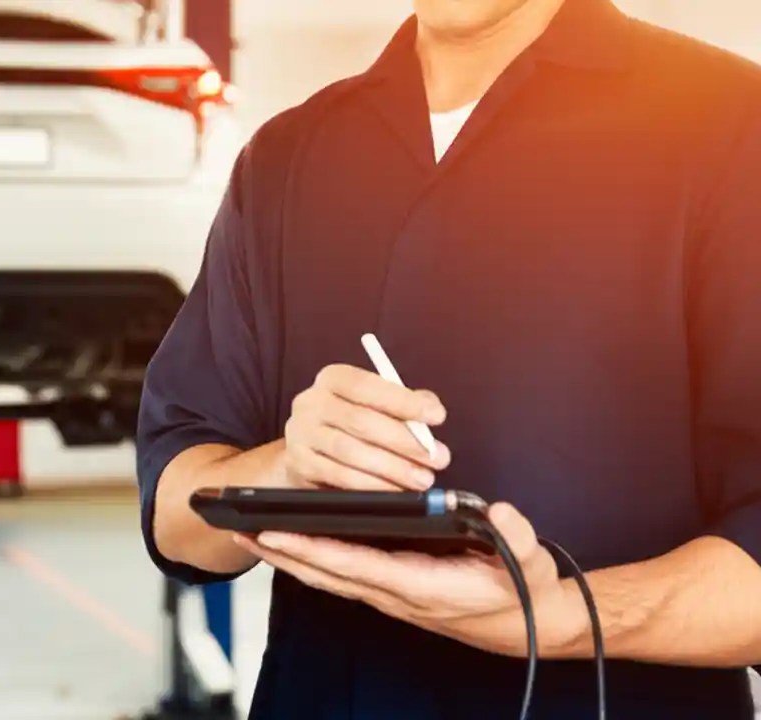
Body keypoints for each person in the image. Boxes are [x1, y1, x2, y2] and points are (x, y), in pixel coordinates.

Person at [136, 0, 761, 717]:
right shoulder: (288, 157)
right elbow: (178, 517)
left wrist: (557, 617)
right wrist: (286, 471)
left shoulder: (727, 125)